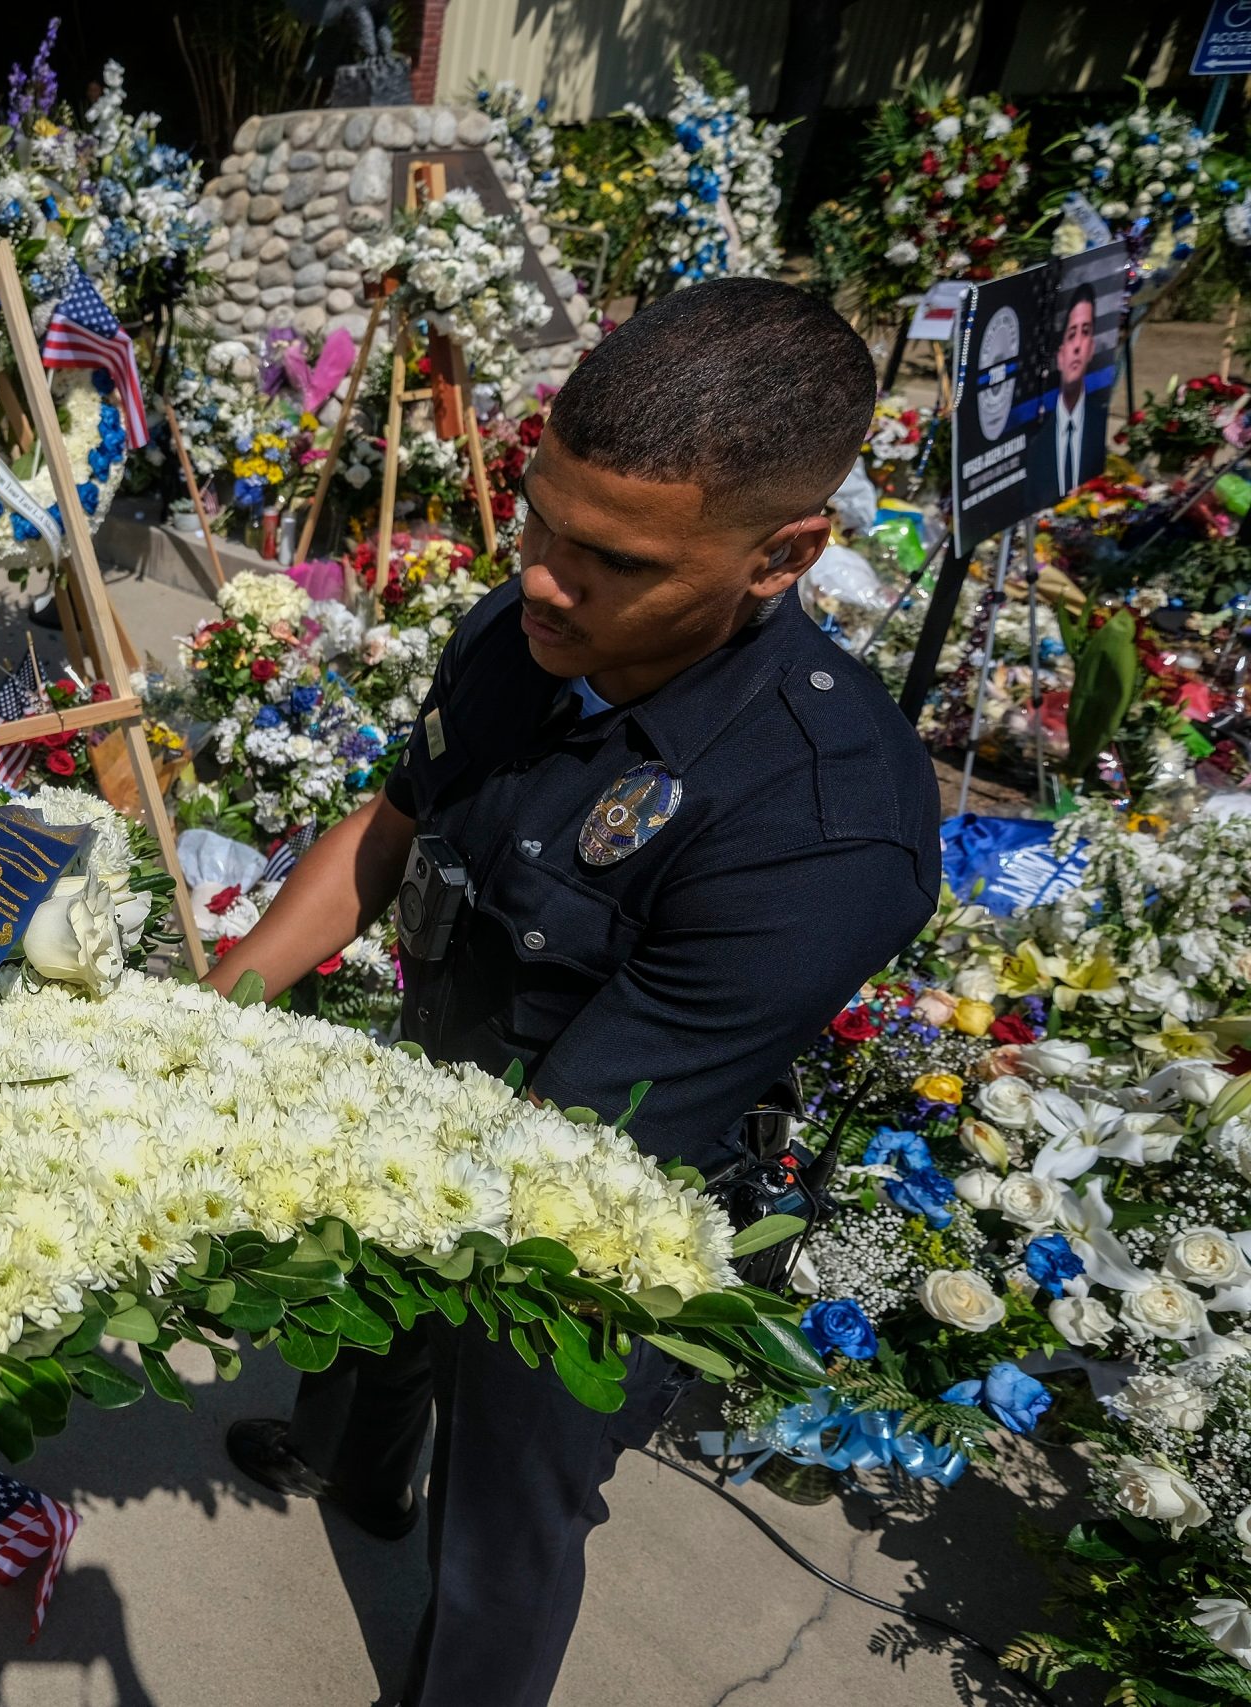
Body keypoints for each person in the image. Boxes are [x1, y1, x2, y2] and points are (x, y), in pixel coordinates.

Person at [213, 279, 940, 1707]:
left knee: (505, 1509)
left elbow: (577, 1138)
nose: (542, 573)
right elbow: (393, 822)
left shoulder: (819, 820)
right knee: (365, 1349)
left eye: (607, 558)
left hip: (589, 1208)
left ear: (782, 556)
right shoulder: (523, 629)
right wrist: (209, 1010)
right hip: (437, 1091)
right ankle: (357, 1471)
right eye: (539, 517)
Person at [1027, 281, 1112, 513]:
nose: (1077, 346)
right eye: (1071, 334)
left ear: (1092, 347)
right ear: (1060, 353)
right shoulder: (1035, 438)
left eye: (1085, 332)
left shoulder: (1097, 422)